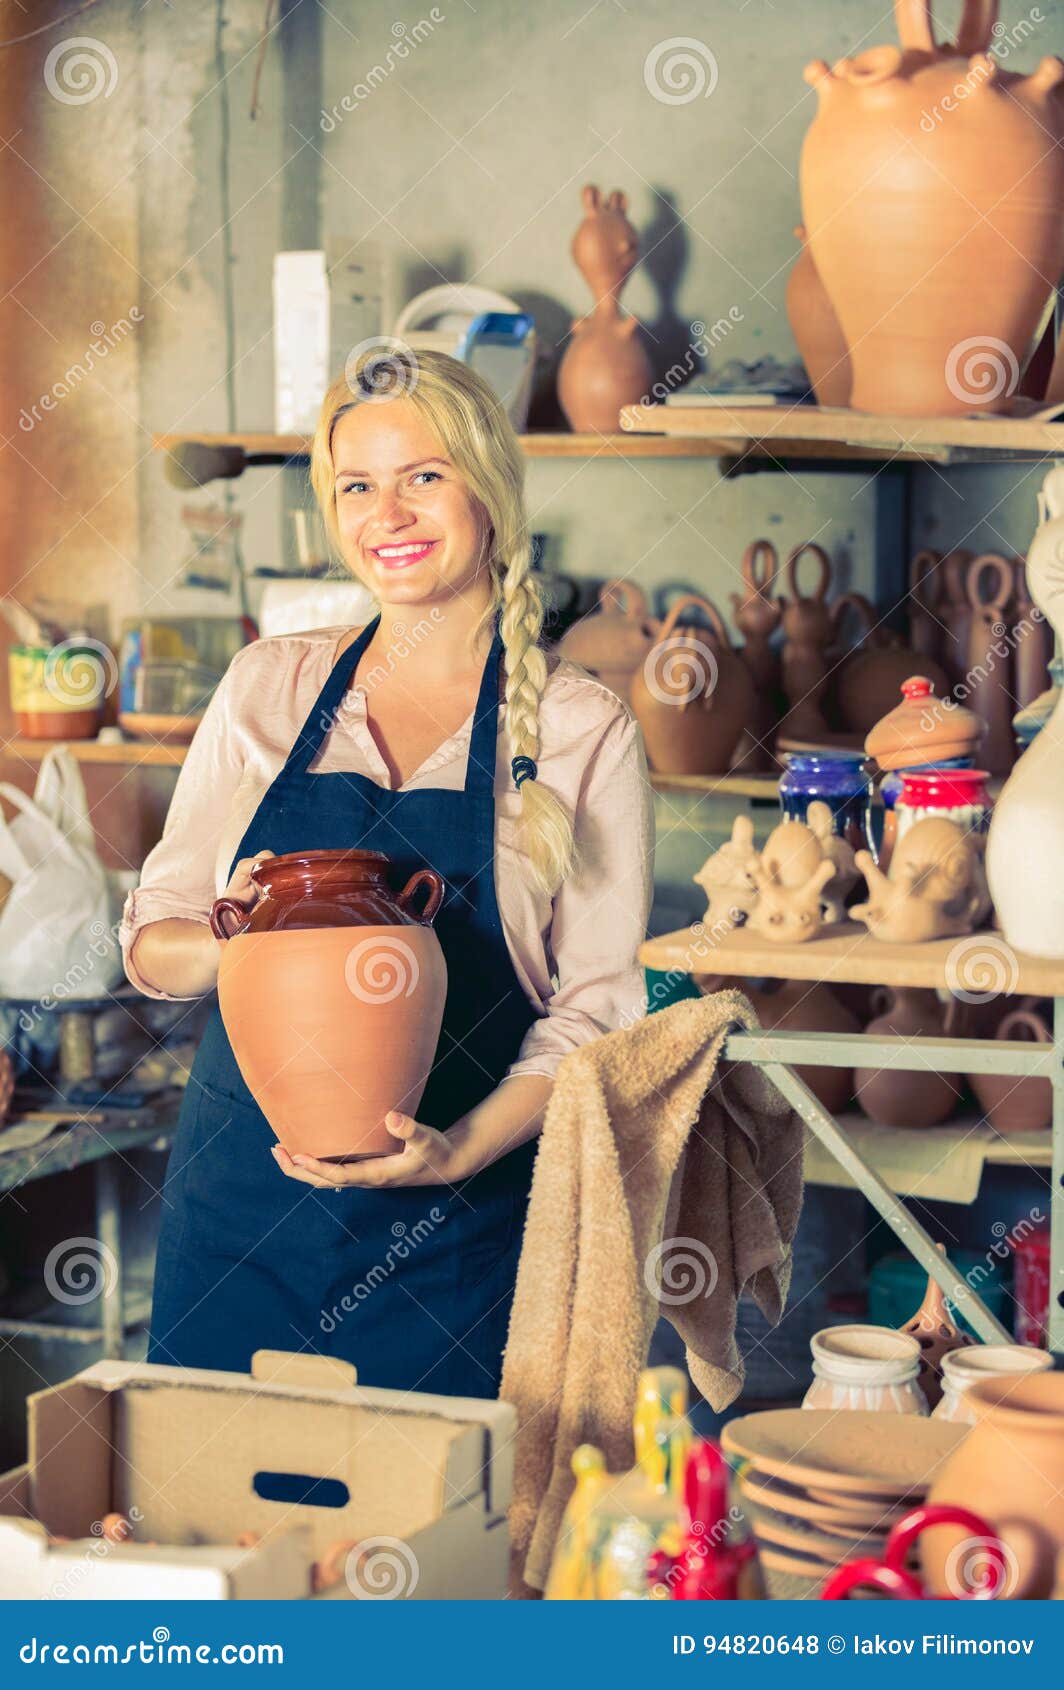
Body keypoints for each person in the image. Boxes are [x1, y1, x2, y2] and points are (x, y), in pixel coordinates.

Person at [121, 348, 653, 1398]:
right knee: (215, 1536)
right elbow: (151, 939)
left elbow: (596, 1012)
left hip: (453, 1233)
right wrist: (236, 933)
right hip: (242, 1218)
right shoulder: (268, 689)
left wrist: (453, 1150)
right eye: (357, 486)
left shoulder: (580, 726)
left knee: (432, 1534)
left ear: (488, 489)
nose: (389, 514)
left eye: (424, 475)